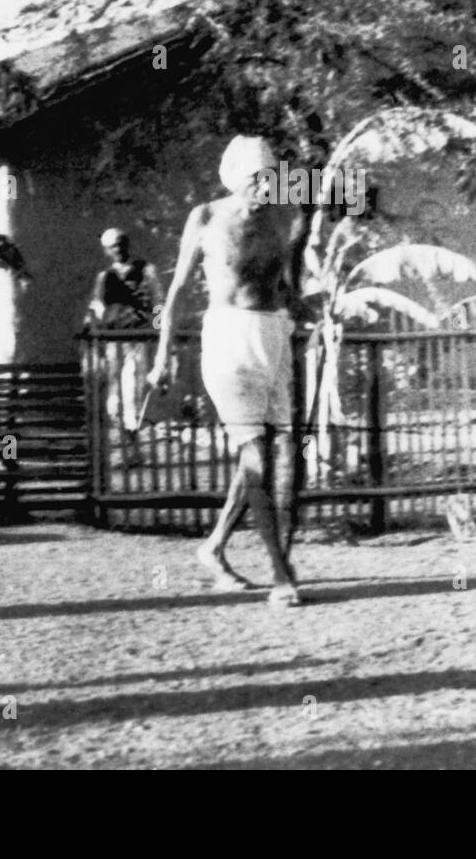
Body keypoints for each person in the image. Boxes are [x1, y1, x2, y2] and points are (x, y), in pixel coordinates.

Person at [148, 136, 307, 608]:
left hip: (274, 338)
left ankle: (215, 546)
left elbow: (291, 289)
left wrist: (316, 310)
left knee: (284, 457)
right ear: (236, 180)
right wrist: (162, 355)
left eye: (269, 177)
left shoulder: (289, 217)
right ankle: (282, 577)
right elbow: (176, 291)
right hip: (226, 341)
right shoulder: (205, 218)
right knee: (257, 457)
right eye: (255, 179)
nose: (264, 187)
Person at [86, 228, 161, 442]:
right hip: (113, 336)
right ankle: (119, 425)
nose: (117, 249)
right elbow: (98, 305)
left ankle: (131, 426)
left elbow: (157, 301)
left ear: (126, 244)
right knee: (113, 382)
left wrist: (157, 330)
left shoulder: (146, 270)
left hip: (137, 334)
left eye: (120, 244)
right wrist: (95, 328)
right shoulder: (105, 277)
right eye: (112, 247)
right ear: (107, 251)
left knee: (133, 379)